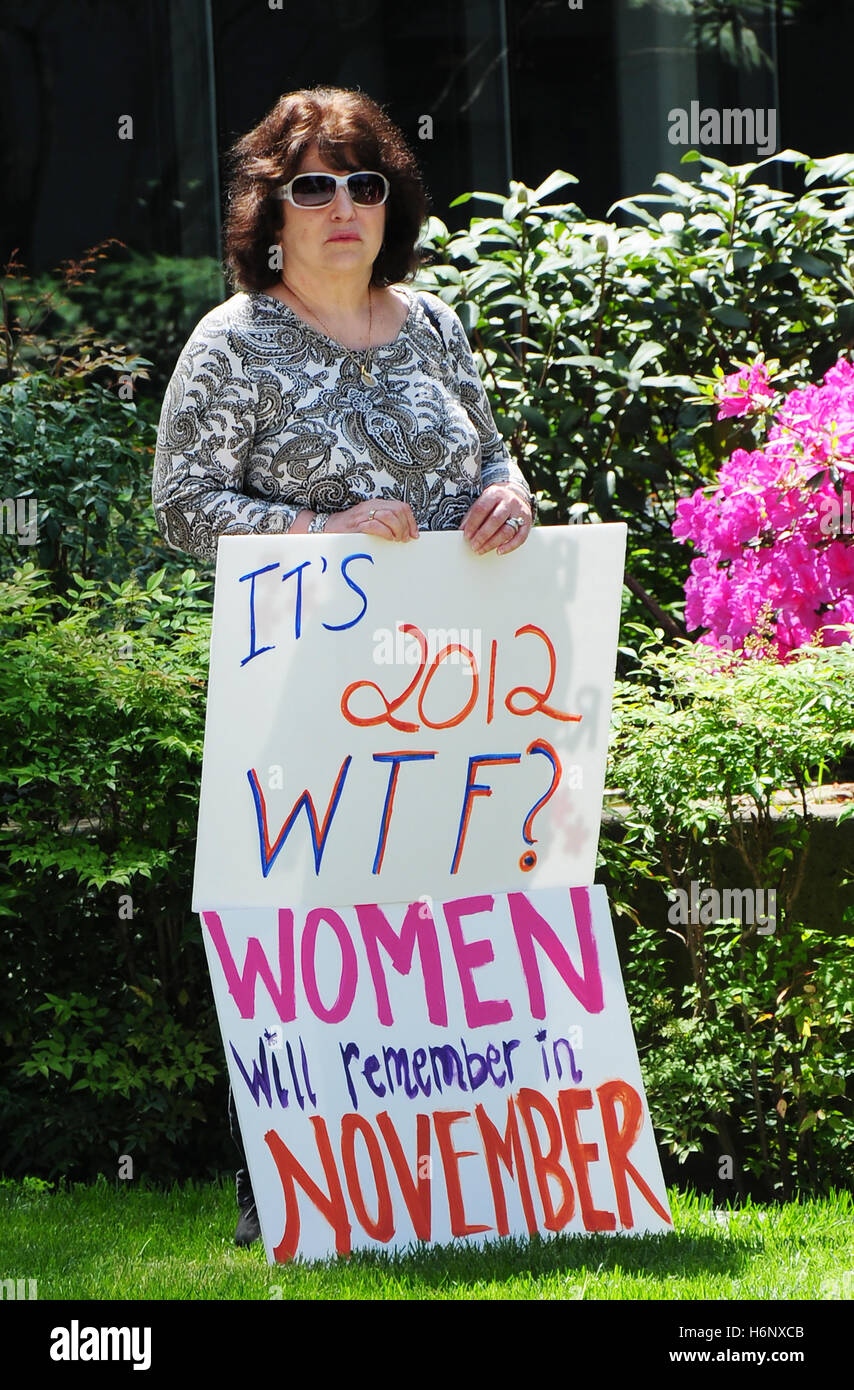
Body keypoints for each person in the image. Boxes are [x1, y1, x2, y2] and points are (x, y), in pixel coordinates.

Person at [151, 86, 536, 1246]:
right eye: (313, 185)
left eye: (363, 184)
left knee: (451, 923)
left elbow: (495, 448)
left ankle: (461, 1183)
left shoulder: (432, 323)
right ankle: (294, 1189)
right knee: (317, 936)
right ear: (272, 210)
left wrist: (509, 492)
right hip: (310, 701)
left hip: (458, 697)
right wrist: (316, 533)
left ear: (388, 206)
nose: (341, 208)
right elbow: (179, 509)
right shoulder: (233, 340)